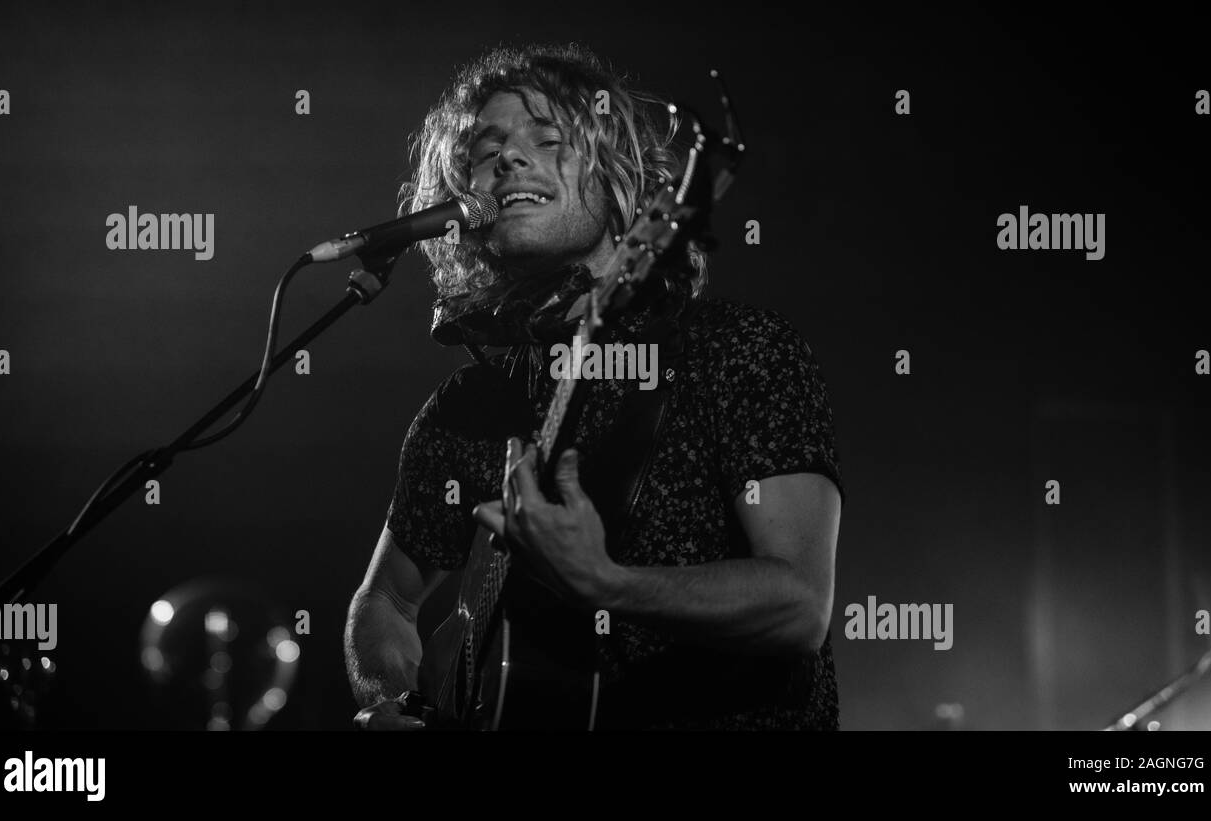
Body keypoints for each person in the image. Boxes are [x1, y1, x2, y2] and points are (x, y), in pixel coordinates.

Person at [343, 43, 845, 730]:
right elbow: (387, 603)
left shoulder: (736, 351)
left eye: (547, 140)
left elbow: (800, 605)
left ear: (620, 184)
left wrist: (607, 583)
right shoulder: (468, 407)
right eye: (485, 151)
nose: (508, 159)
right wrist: (387, 700)